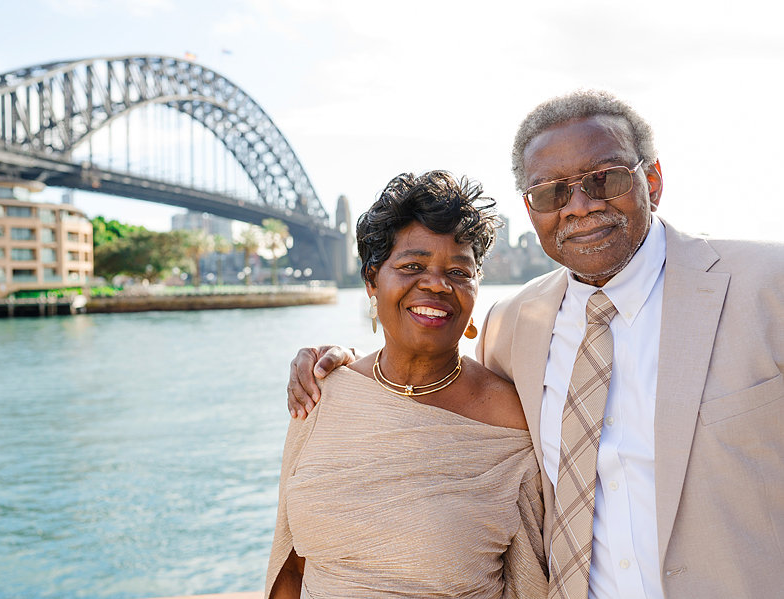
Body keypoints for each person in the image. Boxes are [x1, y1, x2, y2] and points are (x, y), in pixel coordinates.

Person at [287, 90, 784, 599]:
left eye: (605, 179)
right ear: (531, 208)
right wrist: (336, 364)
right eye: (551, 193)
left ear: (652, 181)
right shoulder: (513, 326)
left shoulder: (768, 287)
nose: (581, 206)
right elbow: (421, 398)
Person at [266, 171, 548, 598]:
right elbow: (291, 568)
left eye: (458, 271)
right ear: (371, 282)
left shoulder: (511, 421)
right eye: (412, 266)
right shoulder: (322, 393)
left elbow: (528, 582)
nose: (437, 283)